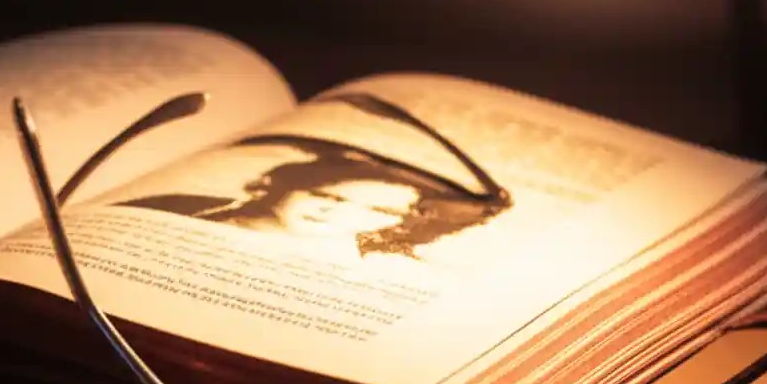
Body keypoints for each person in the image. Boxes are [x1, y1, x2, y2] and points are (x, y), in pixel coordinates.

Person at [116, 137, 511, 260]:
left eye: (379, 210)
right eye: (328, 195)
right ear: (279, 186)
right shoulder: (167, 207)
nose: (335, 213)